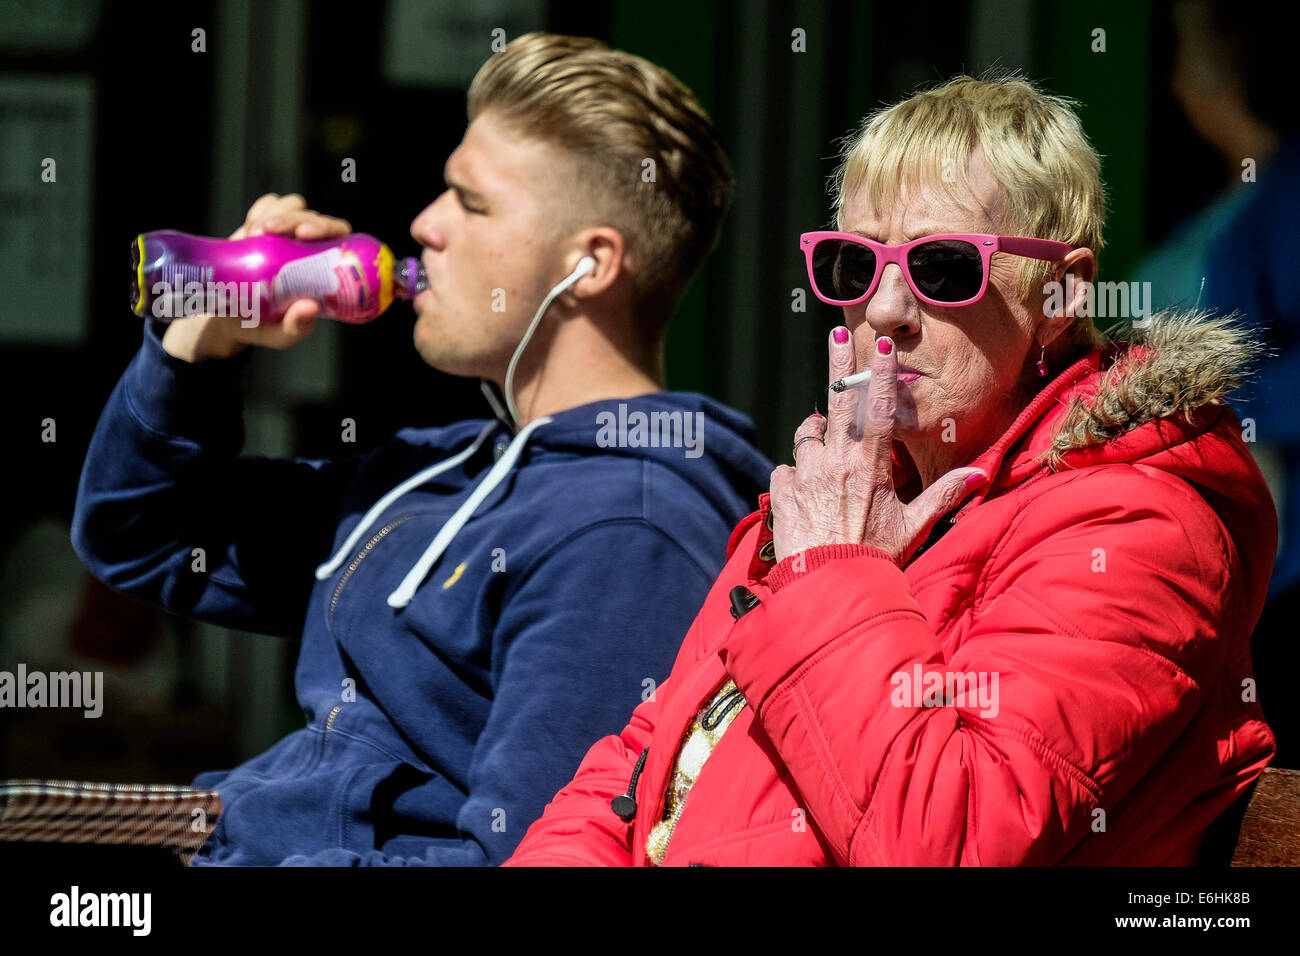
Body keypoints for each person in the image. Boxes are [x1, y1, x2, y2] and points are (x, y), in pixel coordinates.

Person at [504, 73, 1277, 867]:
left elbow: (954, 839)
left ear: (1063, 291)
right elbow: (642, 763)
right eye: (853, 265)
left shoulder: (1136, 526)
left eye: (942, 269)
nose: (883, 309)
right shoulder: (844, 491)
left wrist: (835, 573)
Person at [70, 32, 771, 866]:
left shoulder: (627, 537)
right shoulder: (439, 473)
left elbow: (523, 857)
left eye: (470, 203)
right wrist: (198, 348)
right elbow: (141, 535)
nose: (422, 224)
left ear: (589, 264)